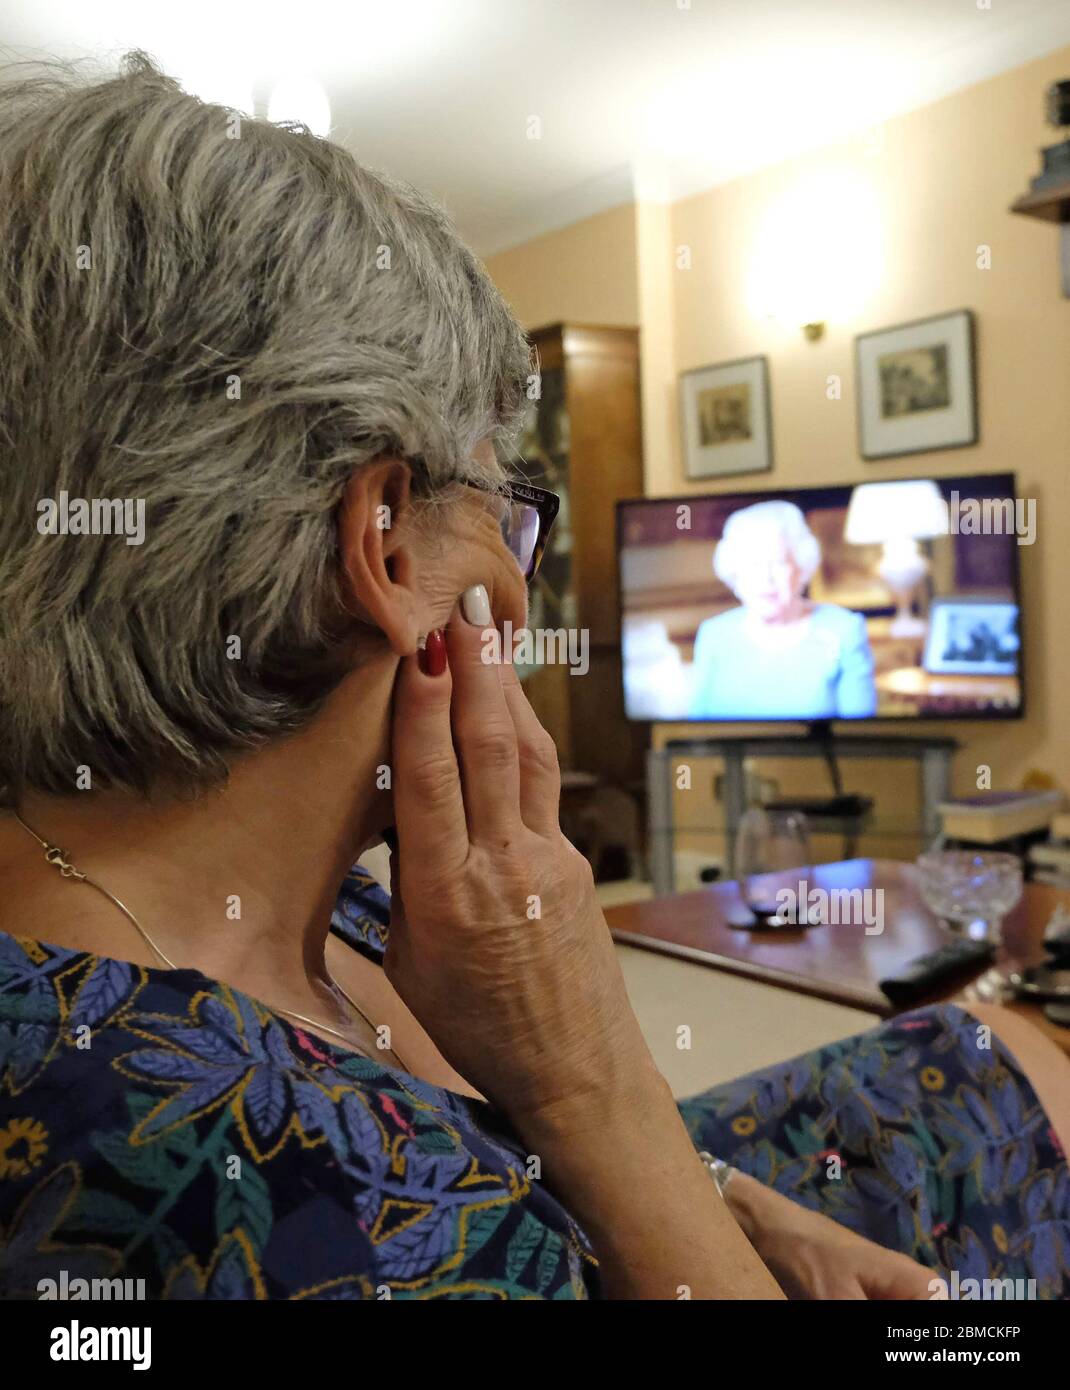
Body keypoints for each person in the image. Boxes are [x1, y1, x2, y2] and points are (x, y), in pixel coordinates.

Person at [0, 55, 1067, 1301]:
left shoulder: (286, 895)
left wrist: (725, 1200)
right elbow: (527, 1147)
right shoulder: (261, 1195)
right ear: (388, 544)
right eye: (507, 509)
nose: (517, 589)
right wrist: (590, 1071)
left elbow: (487, 1127)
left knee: (1005, 1045)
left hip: (619, 1174)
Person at [690, 500, 878, 720]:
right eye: (753, 566)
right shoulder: (714, 635)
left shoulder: (844, 629)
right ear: (735, 576)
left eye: (778, 564)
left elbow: (860, 733)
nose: (766, 579)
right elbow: (698, 733)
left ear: (801, 569)